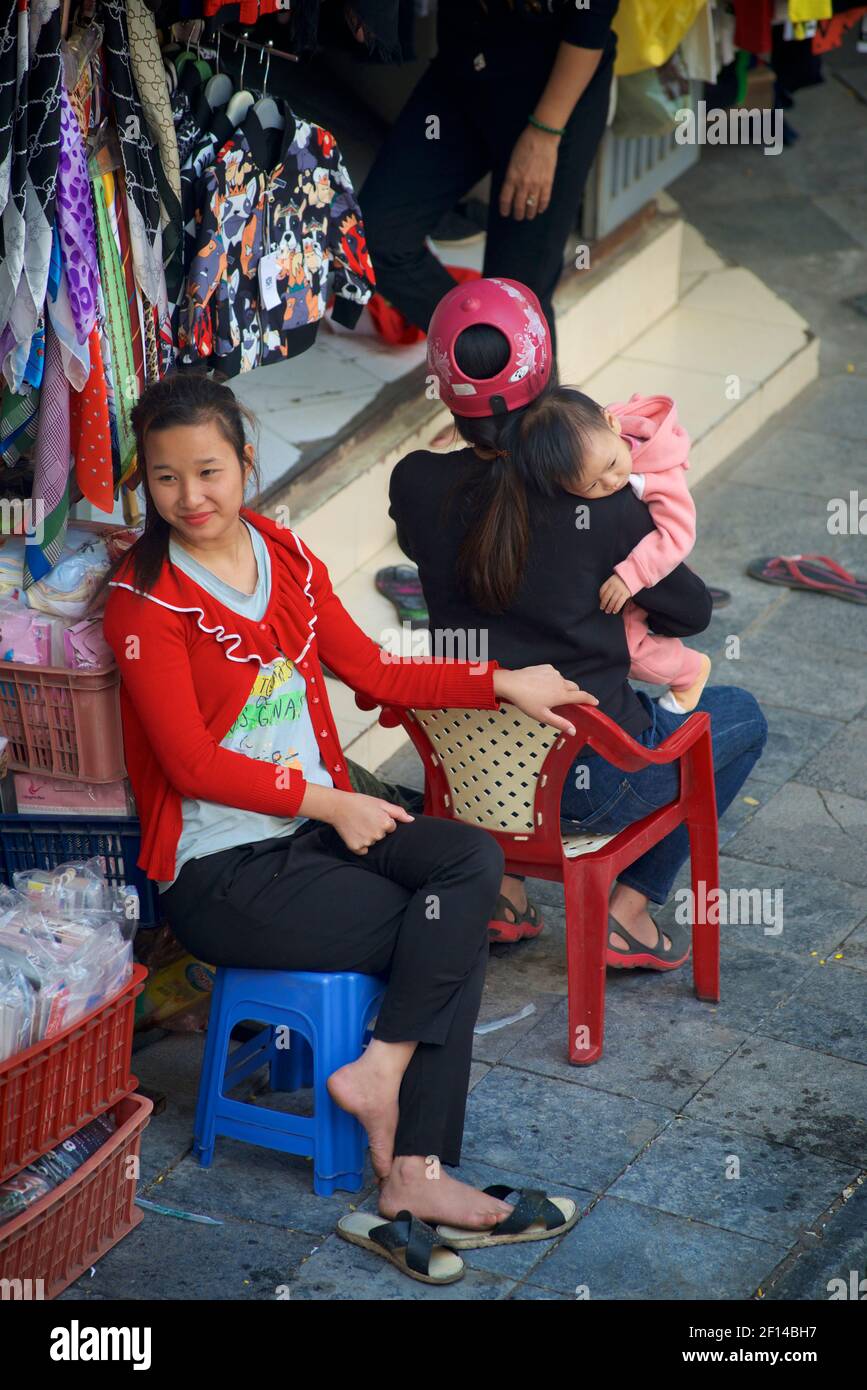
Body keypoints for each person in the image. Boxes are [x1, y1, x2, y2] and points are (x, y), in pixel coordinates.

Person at [98, 370, 598, 1237]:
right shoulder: (143, 602)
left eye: (209, 471)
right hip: (224, 872)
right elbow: (189, 764)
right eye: (167, 476)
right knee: (439, 923)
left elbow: (371, 671)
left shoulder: (283, 557)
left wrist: (499, 679)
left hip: (312, 827)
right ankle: (415, 1170)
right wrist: (331, 803)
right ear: (145, 479)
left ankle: (384, 1074)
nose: (190, 495)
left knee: (466, 861)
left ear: (246, 463)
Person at [388, 278, 769, 969]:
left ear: (443, 388)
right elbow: (690, 610)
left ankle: (501, 894)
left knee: (503, 686)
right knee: (737, 714)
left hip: (469, 775)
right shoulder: (597, 497)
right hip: (588, 783)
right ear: (544, 372)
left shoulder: (414, 481)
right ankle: (625, 915)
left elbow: (444, 551)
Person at [358, 0, 619, 352]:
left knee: (519, 301)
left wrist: (544, 133)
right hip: (465, 67)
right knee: (377, 235)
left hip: (555, 95)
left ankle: (516, 376)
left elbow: (592, 20)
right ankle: (489, 351)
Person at [562, 389, 713, 715]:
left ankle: (690, 670)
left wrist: (632, 576)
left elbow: (678, 535)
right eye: (593, 485)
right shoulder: (597, 438)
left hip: (646, 569)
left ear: (613, 422)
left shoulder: (659, 474)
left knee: (628, 649)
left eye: (614, 465)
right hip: (616, 566)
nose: (612, 481)